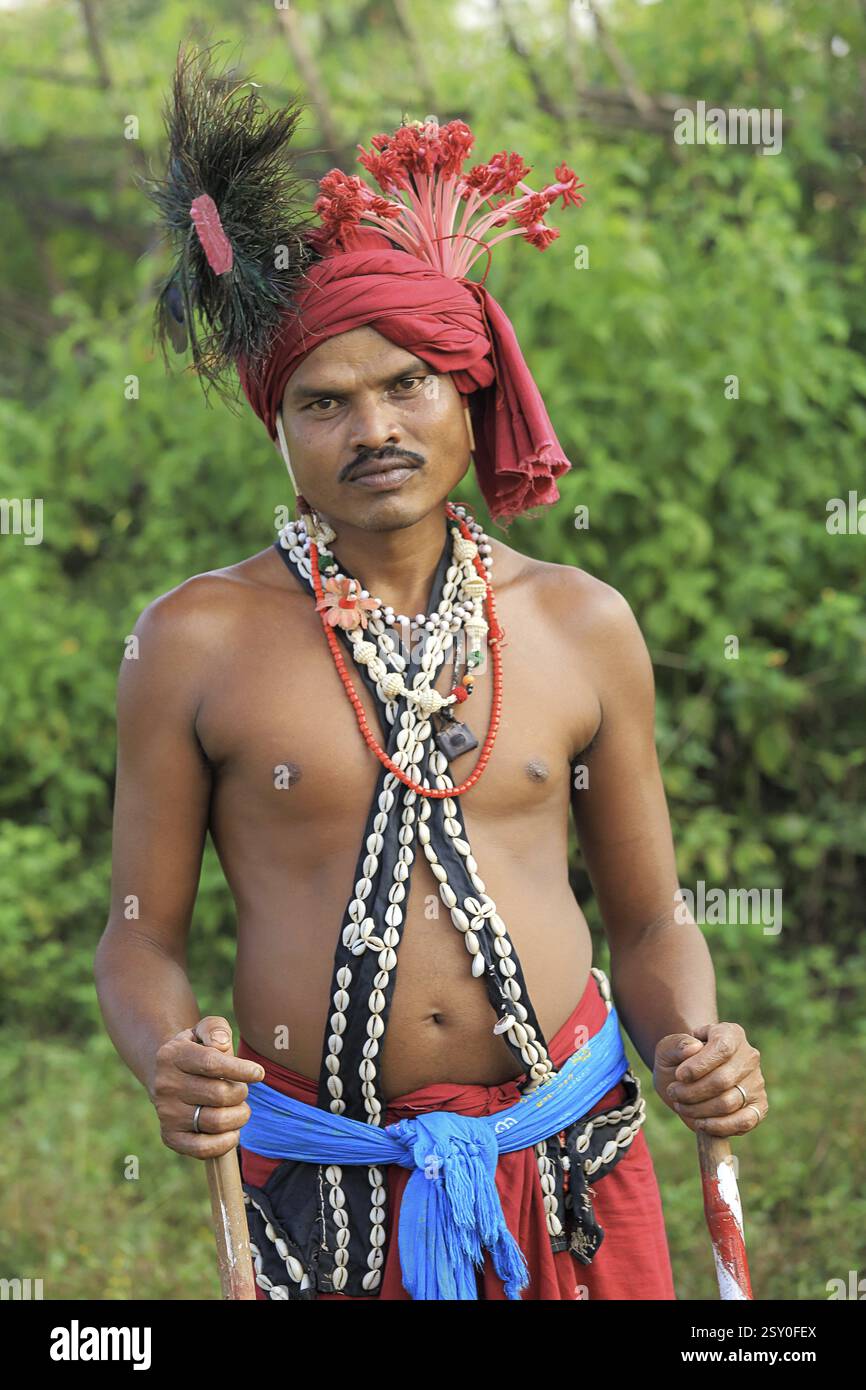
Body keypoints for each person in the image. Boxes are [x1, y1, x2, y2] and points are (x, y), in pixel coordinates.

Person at [94, 47, 768, 1301]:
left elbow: (648, 918)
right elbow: (140, 940)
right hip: (323, 1180)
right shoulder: (191, 641)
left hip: (568, 1154)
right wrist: (166, 1057)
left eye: (405, 384)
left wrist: (688, 1043)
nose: (374, 430)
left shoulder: (580, 622)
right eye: (323, 402)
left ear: (467, 392)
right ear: (278, 427)